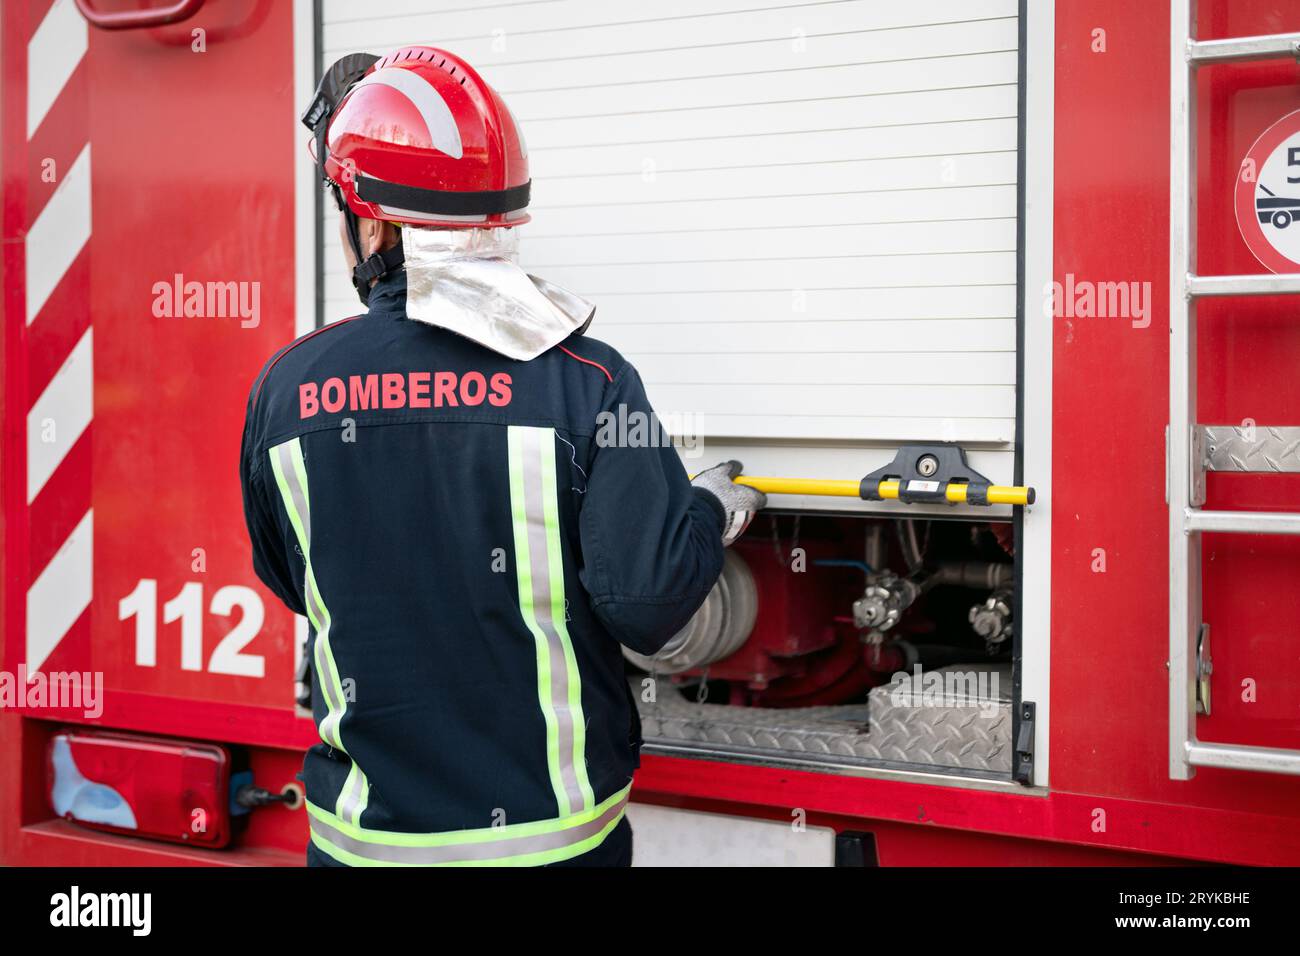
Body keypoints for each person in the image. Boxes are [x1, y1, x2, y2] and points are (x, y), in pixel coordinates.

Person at [239, 46, 765, 867]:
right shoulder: (589, 382)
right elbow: (649, 603)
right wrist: (704, 507)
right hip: (548, 848)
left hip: (361, 847)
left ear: (370, 221)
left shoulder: (286, 391)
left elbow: (293, 578)